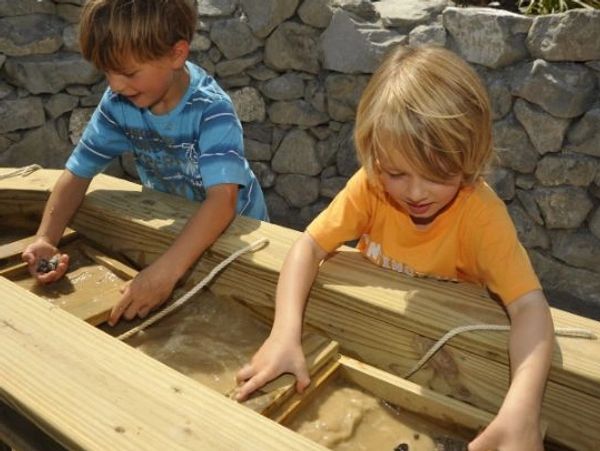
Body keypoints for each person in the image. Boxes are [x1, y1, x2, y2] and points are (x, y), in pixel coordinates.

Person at [235, 45, 554, 451]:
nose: (416, 193)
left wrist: (522, 409)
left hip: (452, 357)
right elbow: (308, 247)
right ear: (374, 157)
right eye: (397, 173)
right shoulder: (370, 187)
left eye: (437, 175)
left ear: (470, 157)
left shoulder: (482, 215)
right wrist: (284, 333)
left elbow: (529, 307)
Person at [21, 0, 268, 326]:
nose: (115, 85)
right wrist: (46, 238)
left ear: (177, 55)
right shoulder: (118, 105)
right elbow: (78, 172)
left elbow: (223, 201)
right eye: (106, 72)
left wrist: (164, 274)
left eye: (127, 72)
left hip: (239, 235)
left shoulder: (212, 110)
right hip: (176, 226)